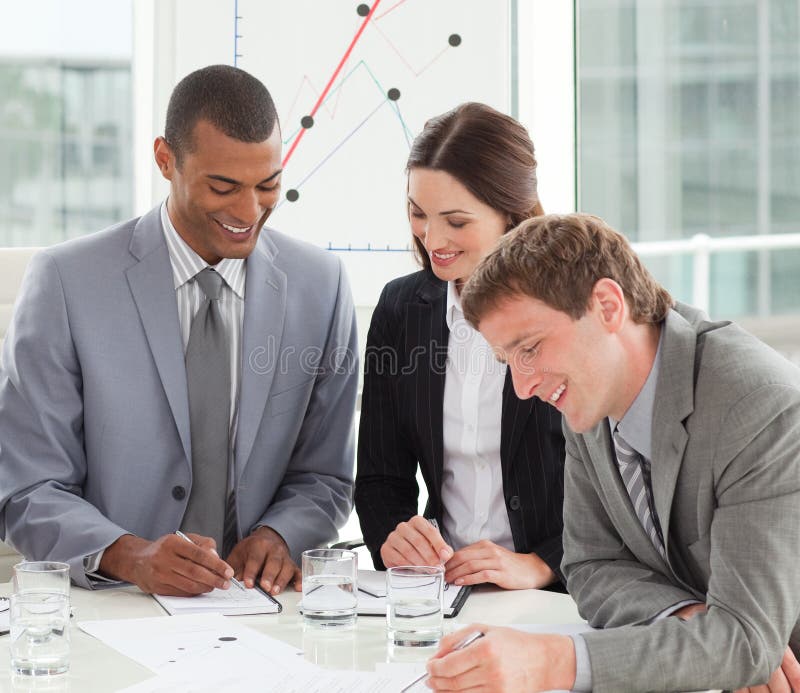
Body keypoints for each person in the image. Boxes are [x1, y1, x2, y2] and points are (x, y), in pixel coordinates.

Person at [0, 65, 358, 597]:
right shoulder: (65, 282)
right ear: (166, 160)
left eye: (269, 185)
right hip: (115, 605)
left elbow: (325, 475)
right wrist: (131, 555)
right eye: (223, 186)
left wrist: (280, 534)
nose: (248, 211)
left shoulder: (321, 286)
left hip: (263, 608)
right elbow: (27, 487)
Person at [422, 212, 800, 692]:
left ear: (606, 305)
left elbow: (746, 643)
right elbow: (589, 566)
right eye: (507, 362)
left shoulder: (757, 405)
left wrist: (552, 661)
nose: (522, 387)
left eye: (530, 349)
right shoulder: (590, 397)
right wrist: (686, 616)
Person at [355, 103, 565, 590]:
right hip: (444, 590)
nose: (432, 239)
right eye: (418, 213)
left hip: (560, 593)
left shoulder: (568, 309)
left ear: (510, 214)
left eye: (456, 221)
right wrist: (394, 537)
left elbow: (626, 487)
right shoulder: (400, 309)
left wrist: (540, 563)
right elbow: (381, 480)